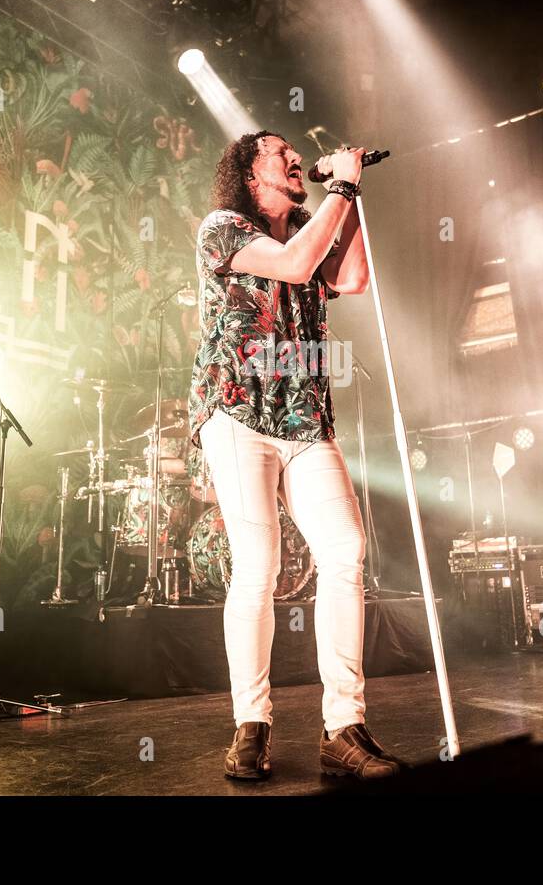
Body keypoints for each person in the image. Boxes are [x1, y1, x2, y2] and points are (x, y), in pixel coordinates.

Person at [186, 131, 406, 780]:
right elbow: (296, 265)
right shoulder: (224, 227)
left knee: (345, 550)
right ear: (250, 174)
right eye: (278, 151)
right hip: (236, 409)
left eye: (292, 152)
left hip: (304, 414)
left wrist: (351, 195)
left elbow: (354, 275)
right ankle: (250, 724)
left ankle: (345, 729)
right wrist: (342, 186)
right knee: (259, 563)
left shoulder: (312, 221)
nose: (291, 159)